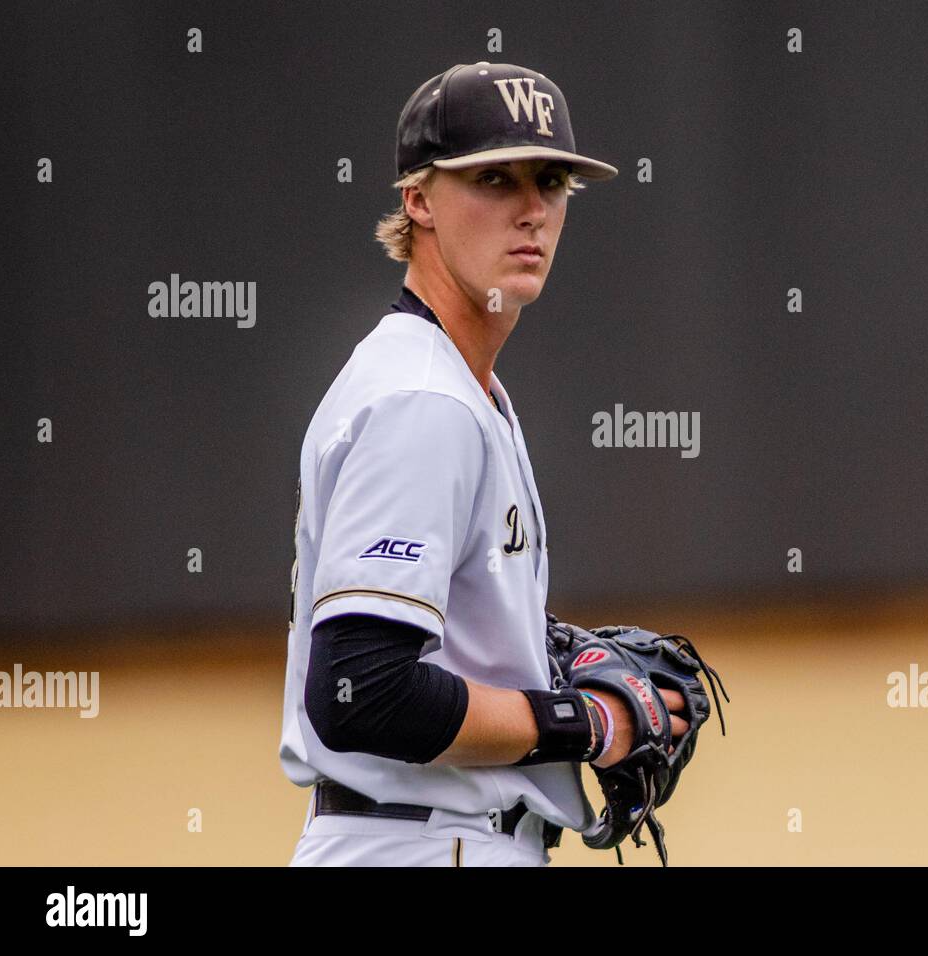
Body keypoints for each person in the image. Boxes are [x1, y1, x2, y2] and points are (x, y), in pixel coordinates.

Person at [278, 62, 689, 866]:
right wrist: (585, 722)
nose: (533, 210)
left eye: (553, 179)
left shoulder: (463, 389)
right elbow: (361, 691)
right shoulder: (422, 399)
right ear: (418, 199)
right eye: (494, 178)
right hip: (423, 846)